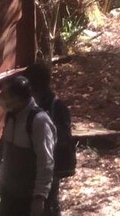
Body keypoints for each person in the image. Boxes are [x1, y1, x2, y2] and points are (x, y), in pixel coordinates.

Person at [0, 74, 55, 216]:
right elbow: (7, 154)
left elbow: (45, 162)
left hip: (29, 196)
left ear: (18, 98)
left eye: (6, 95)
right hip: (10, 193)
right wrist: (2, 180)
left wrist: (40, 197)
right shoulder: (10, 115)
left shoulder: (39, 121)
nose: (2, 98)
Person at [24, 60, 74, 215]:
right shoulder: (31, 105)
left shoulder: (56, 106)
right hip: (34, 165)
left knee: (49, 204)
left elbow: (63, 138)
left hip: (51, 164)